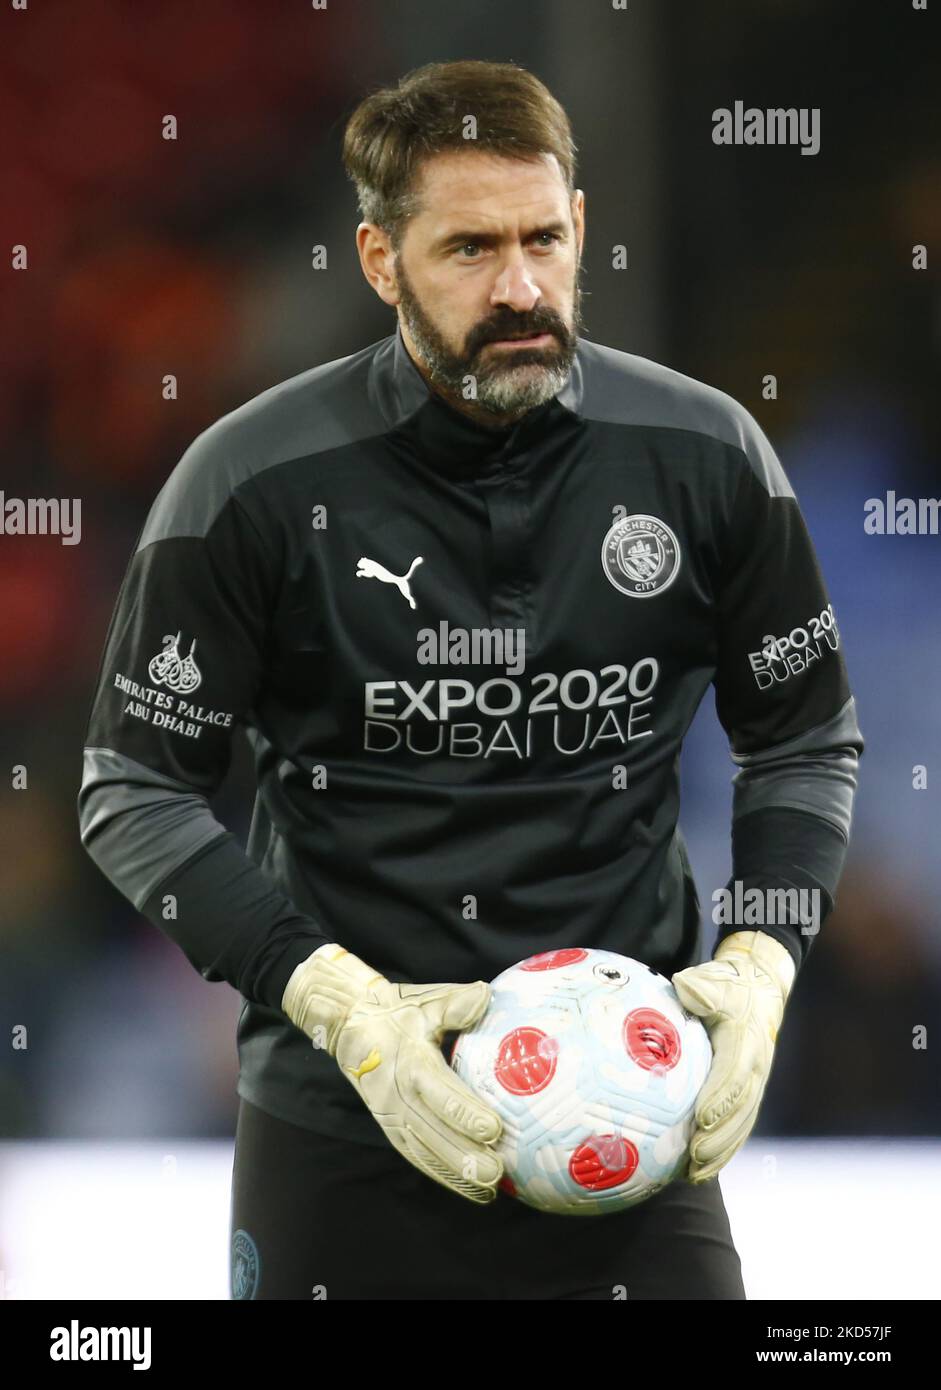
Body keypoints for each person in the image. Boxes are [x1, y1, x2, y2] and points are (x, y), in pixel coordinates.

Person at [77, 59, 863, 1300]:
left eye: (544, 238)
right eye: (468, 249)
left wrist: (764, 956)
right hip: (344, 1123)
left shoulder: (704, 453)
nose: (519, 288)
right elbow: (132, 789)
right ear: (380, 262)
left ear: (581, 226)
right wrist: (330, 997)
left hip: (631, 1123)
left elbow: (802, 738)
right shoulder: (248, 482)